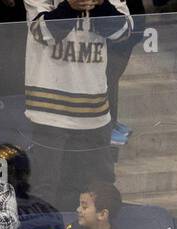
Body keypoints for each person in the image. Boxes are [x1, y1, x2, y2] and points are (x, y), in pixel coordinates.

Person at [23, 1, 133, 210]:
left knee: (98, 194)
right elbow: (41, 31)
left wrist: (100, 5)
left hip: (94, 110)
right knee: (45, 191)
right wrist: (70, 7)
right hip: (49, 111)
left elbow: (124, 32)